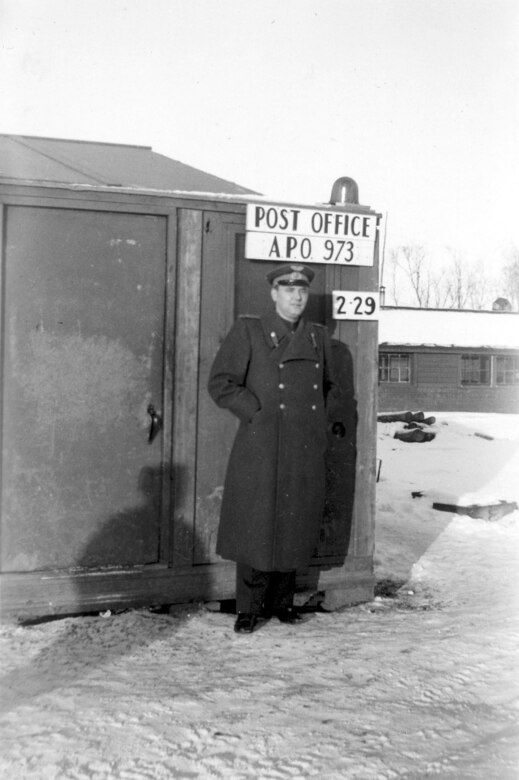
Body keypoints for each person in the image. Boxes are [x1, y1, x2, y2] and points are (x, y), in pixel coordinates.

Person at [208, 263, 341, 634]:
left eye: (302, 291)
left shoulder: (316, 337)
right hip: (262, 447)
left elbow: (331, 387)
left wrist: (317, 424)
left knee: (294, 524)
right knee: (257, 525)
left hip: (303, 448)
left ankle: (282, 603)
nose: (297, 296)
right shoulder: (249, 330)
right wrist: (257, 412)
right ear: (274, 294)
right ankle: (248, 609)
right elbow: (221, 383)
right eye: (288, 289)